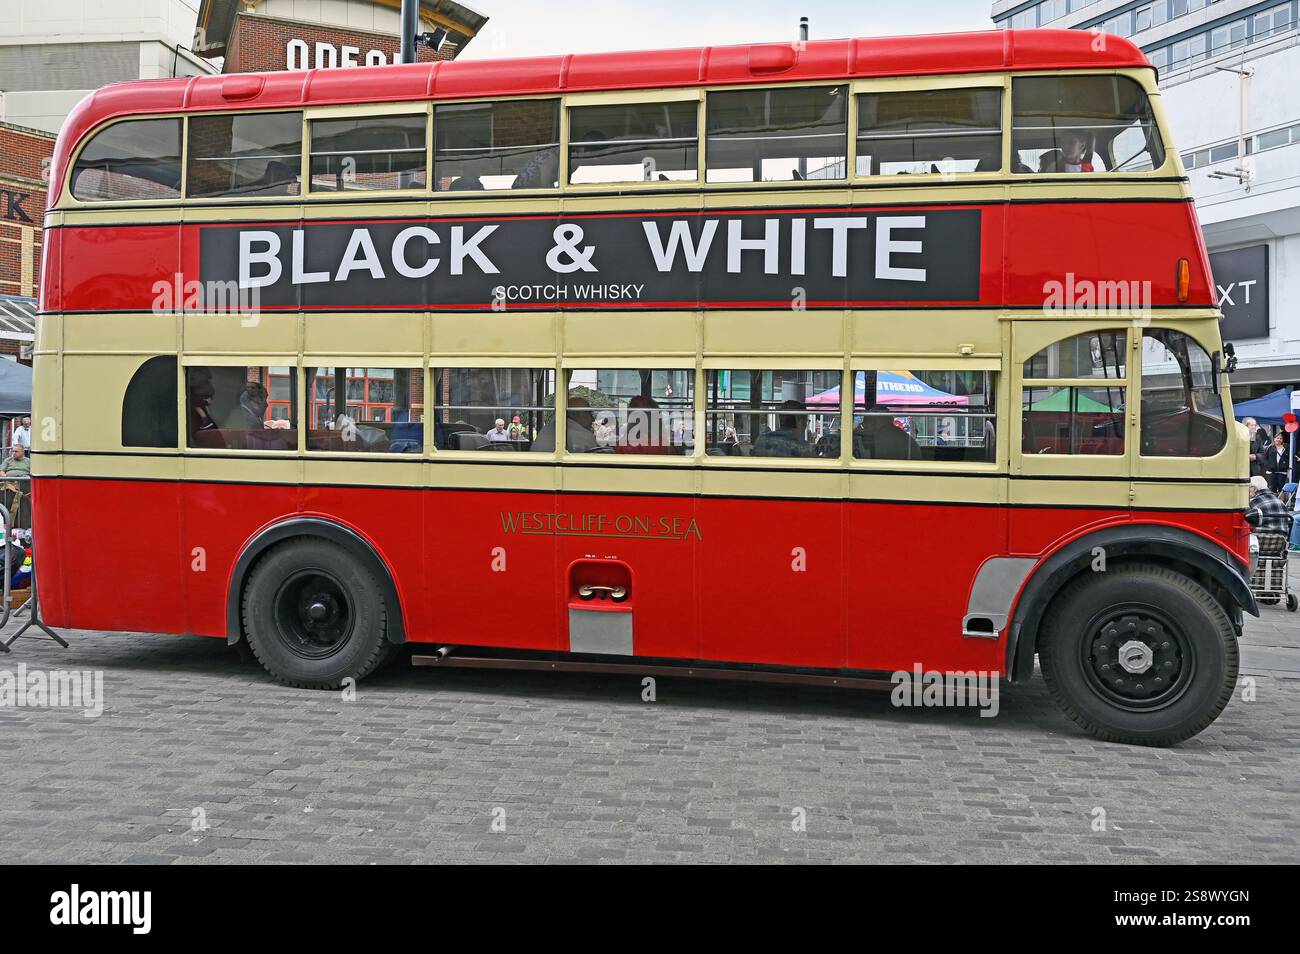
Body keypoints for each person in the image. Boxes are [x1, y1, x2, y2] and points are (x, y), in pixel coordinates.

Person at [1249, 475, 1293, 556]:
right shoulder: (1281, 502)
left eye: (1249, 488)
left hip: (1259, 545)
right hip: (1279, 546)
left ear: (1255, 489)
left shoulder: (1253, 503)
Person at [1, 443, 30, 530]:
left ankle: (13, 522)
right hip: (9, 483)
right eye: (12, 451)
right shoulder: (8, 460)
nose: (13, 453)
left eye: (16, 451)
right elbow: (1, 471)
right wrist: (6, 477)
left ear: (22, 452)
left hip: (24, 483)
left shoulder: (28, 461)